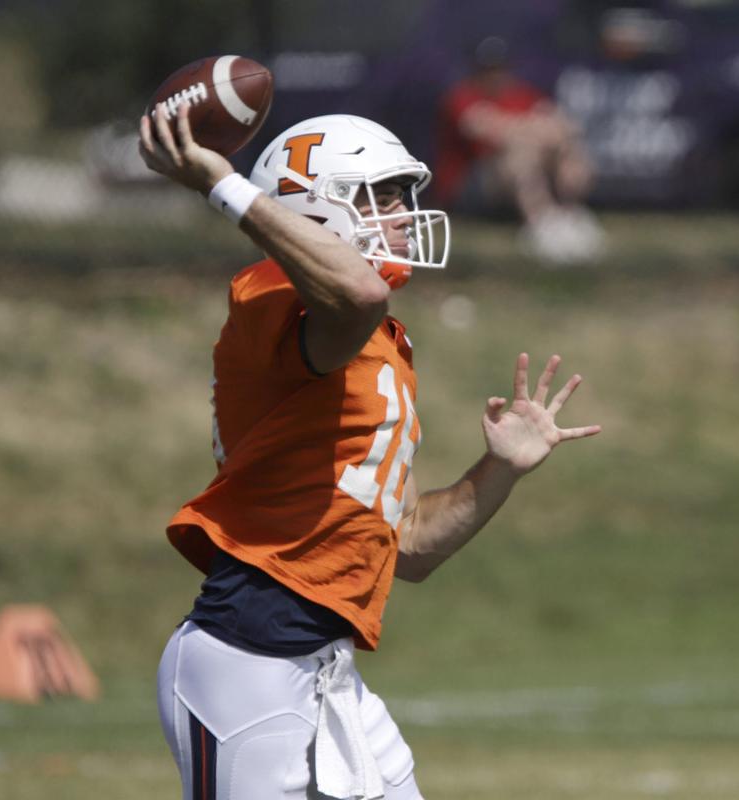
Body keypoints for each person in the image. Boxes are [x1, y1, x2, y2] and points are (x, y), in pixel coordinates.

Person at [138, 103, 601, 800]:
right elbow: (354, 290)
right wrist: (225, 185)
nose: (402, 214)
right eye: (378, 196)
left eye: (402, 195)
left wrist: (499, 470)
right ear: (312, 209)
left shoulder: (376, 341)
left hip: (326, 665)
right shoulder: (281, 293)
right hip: (247, 658)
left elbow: (408, 546)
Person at [433, 36, 606, 266]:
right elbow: (489, 130)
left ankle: (570, 214)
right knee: (520, 153)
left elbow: (564, 126)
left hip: (518, 181)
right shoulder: (462, 96)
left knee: (568, 150)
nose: (494, 75)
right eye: (488, 69)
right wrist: (534, 129)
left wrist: (537, 132)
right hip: (470, 188)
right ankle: (541, 224)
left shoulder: (522, 95)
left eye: (499, 68)